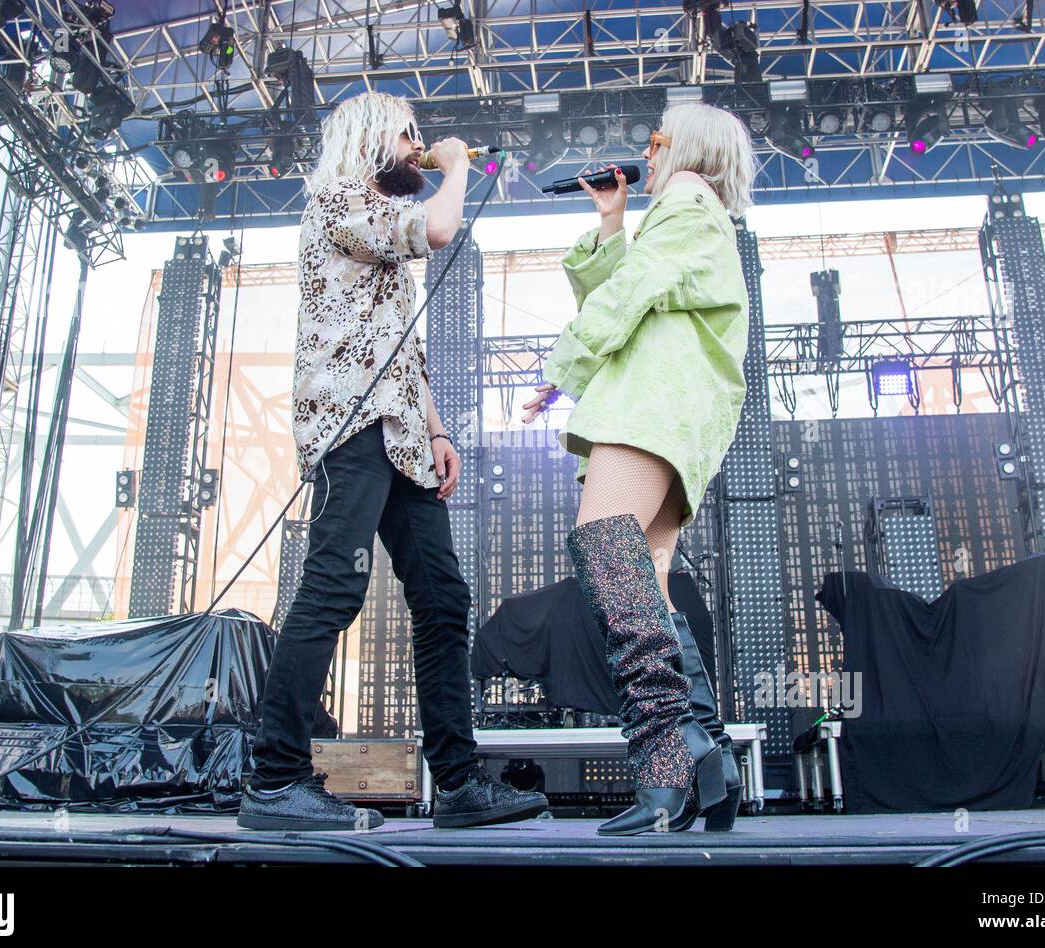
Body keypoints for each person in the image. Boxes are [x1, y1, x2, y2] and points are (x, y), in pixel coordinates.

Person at [239, 91, 548, 831]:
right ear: (373, 138)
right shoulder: (341, 200)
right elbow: (440, 226)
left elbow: (402, 353)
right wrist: (457, 166)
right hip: (353, 426)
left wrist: (438, 433)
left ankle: (461, 782)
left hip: (402, 431)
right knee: (332, 591)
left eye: (421, 135)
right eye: (408, 133)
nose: (419, 144)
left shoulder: (377, 222)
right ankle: (276, 778)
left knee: (444, 600)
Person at [522, 102, 756, 835]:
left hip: (653, 401)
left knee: (605, 551)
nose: (647, 153)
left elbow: (633, 293)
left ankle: (669, 755)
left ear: (686, 147)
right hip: (677, 406)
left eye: (658, 140)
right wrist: (611, 224)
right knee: (645, 583)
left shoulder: (686, 196)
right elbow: (635, 287)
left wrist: (561, 369)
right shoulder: (693, 215)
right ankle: (709, 757)